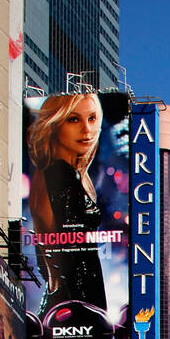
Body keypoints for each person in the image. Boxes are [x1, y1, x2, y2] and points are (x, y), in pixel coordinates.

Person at [27, 93, 108, 318]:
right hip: (73, 306)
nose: (87, 129)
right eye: (73, 119)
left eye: (92, 119)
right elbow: (68, 251)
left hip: (66, 303)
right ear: (53, 124)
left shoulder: (58, 173)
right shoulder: (59, 173)